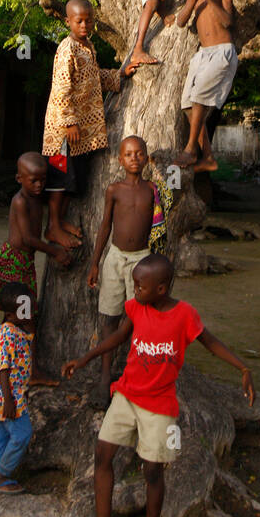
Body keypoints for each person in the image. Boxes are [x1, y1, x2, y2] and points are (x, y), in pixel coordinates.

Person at [62, 254, 255, 517]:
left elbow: (210, 342)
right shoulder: (137, 308)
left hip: (160, 405)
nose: (134, 290)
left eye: (140, 286)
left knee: (152, 471)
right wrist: (85, 358)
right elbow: (119, 337)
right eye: (134, 284)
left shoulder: (184, 315)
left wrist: (243, 368)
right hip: (126, 395)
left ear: (161, 288)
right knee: (103, 455)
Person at [42, 0, 138, 251]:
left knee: (71, 179)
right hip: (62, 131)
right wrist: (70, 122)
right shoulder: (68, 49)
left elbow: (94, 79)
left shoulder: (88, 47)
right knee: (59, 179)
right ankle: (52, 225)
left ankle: (59, 222)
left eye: (88, 21)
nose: (84, 25)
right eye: (79, 21)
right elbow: (62, 89)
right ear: (68, 22)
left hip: (79, 131)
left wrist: (119, 74)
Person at [0, 151, 68, 385]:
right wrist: (55, 251)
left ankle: (15, 366)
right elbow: (29, 239)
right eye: (34, 180)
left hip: (24, 262)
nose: (39, 185)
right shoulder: (20, 201)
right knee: (24, 315)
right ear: (19, 178)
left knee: (21, 315)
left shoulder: (36, 196)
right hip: (15, 261)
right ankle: (27, 370)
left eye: (43, 180)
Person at [87, 135, 159, 403]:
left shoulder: (152, 190)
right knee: (109, 316)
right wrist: (95, 263)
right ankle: (105, 376)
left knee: (139, 319)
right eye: (128, 154)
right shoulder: (114, 190)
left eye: (139, 153)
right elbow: (105, 226)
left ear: (146, 157)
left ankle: (134, 374)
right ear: (120, 159)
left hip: (142, 260)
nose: (134, 158)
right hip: (115, 258)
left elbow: (159, 228)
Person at [174, 0, 238, 172]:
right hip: (202, 55)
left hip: (221, 52)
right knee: (187, 105)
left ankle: (191, 148)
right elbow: (181, 22)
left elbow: (228, 21)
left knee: (199, 97)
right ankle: (208, 157)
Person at [0, 281, 36, 494]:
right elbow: (2, 366)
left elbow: (28, 340)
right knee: (23, 433)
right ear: (9, 314)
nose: (29, 312)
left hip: (10, 395)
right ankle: (2, 475)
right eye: (24, 309)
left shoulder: (18, 330)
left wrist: (29, 324)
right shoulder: (6, 334)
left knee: (4, 434)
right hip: (9, 395)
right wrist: (8, 400)